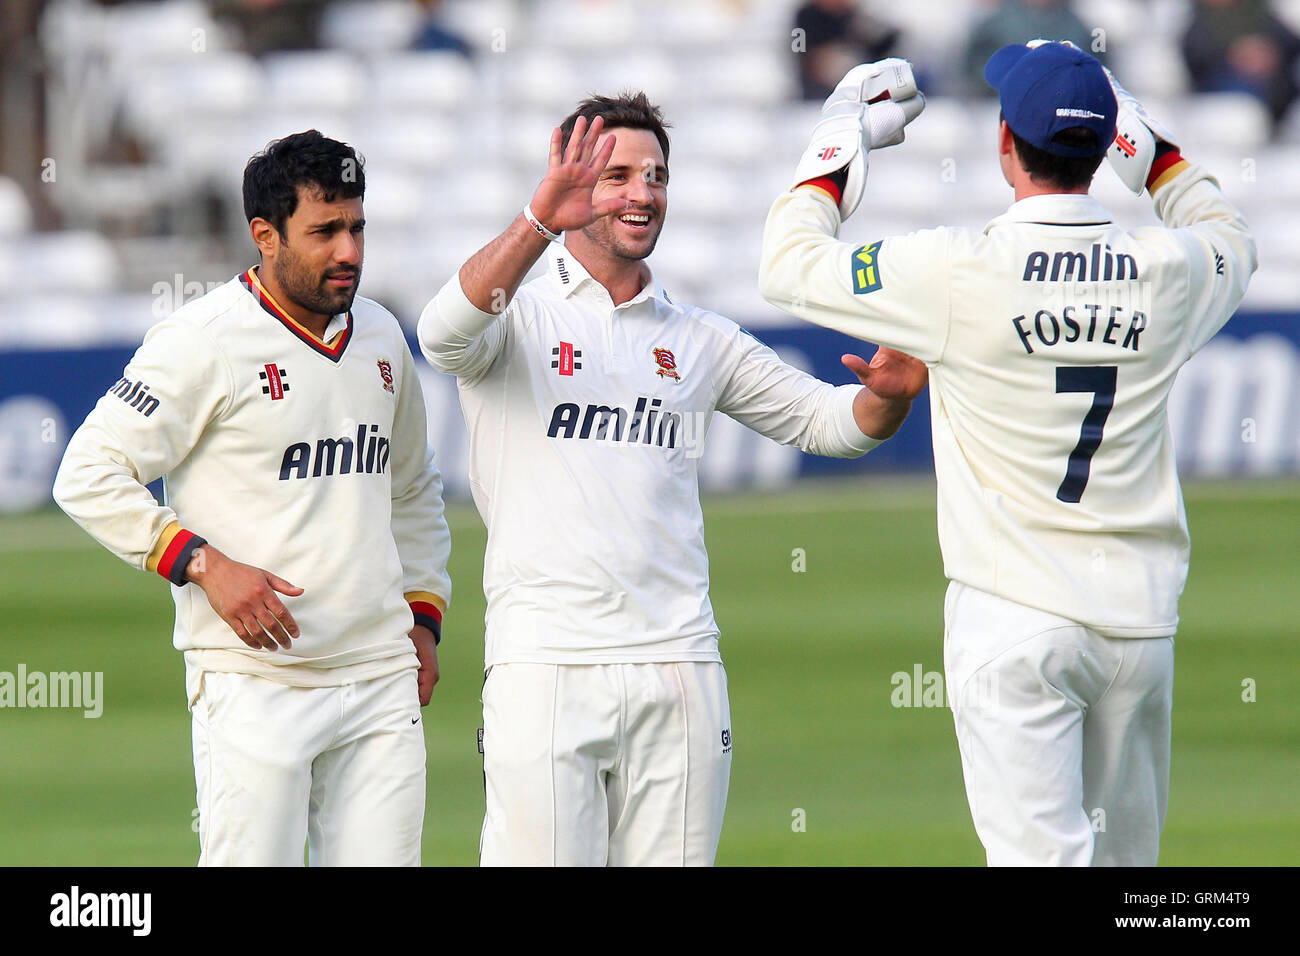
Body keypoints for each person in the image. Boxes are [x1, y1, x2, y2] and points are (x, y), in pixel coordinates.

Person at [759, 46, 1256, 865]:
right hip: (1140, 625)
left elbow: (787, 264)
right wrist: (1149, 150)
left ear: (1004, 141)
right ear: (1100, 152)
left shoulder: (957, 268)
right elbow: (1228, 234)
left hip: (1014, 612)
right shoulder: (1170, 272)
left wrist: (840, 130)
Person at [417, 92, 927, 866]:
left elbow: (831, 423)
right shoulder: (514, 318)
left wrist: (884, 402)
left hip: (681, 666)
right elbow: (442, 333)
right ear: (567, 181)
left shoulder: (698, 338)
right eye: (617, 175)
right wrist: (537, 218)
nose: (642, 193)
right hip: (546, 667)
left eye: (655, 176)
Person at [53, 130, 452, 866]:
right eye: (325, 231)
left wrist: (424, 615)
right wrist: (202, 565)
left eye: (358, 227)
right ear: (264, 236)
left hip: (377, 680)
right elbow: (88, 470)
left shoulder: (384, 339)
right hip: (254, 681)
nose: (350, 252)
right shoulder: (202, 340)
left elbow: (412, 489)